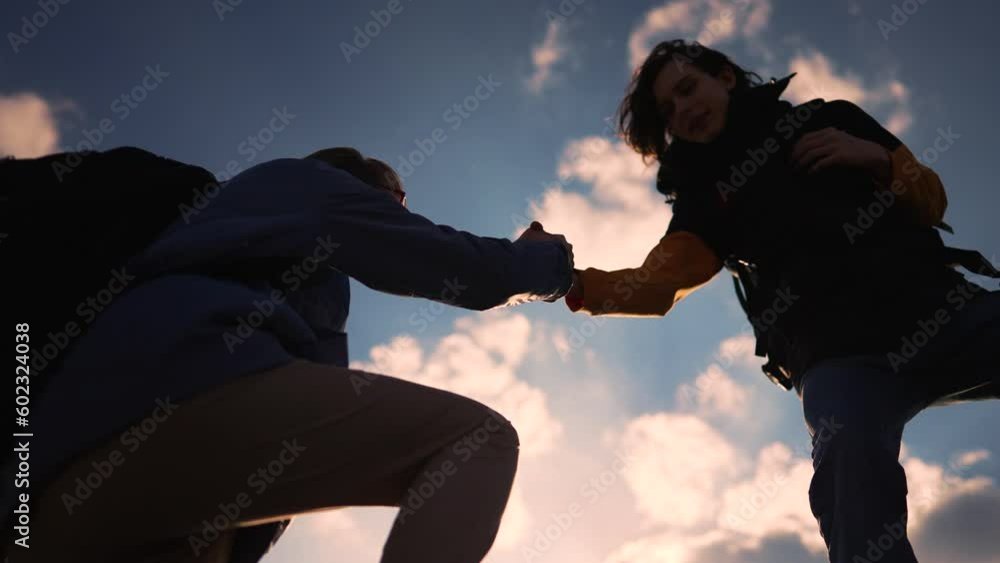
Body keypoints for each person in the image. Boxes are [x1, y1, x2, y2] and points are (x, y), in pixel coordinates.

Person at [2, 147, 573, 563]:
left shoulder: (237, 225)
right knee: (477, 438)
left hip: (46, 492)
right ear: (367, 184)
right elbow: (452, 264)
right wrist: (540, 267)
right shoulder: (302, 184)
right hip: (174, 386)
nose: (399, 210)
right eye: (397, 199)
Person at [564, 39, 999, 563]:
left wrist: (878, 160)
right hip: (843, 362)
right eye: (668, 111)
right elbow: (660, 283)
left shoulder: (828, 119)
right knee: (848, 468)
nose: (683, 110)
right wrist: (570, 281)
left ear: (723, 76)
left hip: (942, 313)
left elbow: (930, 198)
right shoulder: (704, 204)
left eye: (687, 88)